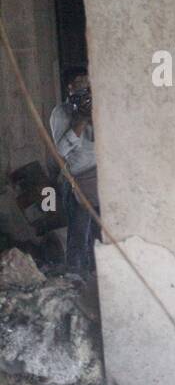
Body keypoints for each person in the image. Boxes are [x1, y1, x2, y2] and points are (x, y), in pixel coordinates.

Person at [49, 69, 99, 274]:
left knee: (99, 236)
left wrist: (94, 116)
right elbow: (60, 151)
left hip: (100, 180)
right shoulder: (60, 113)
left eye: (87, 84)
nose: (84, 88)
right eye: (79, 83)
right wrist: (81, 120)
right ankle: (75, 281)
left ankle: (96, 280)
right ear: (69, 87)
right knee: (79, 237)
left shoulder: (98, 105)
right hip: (76, 182)